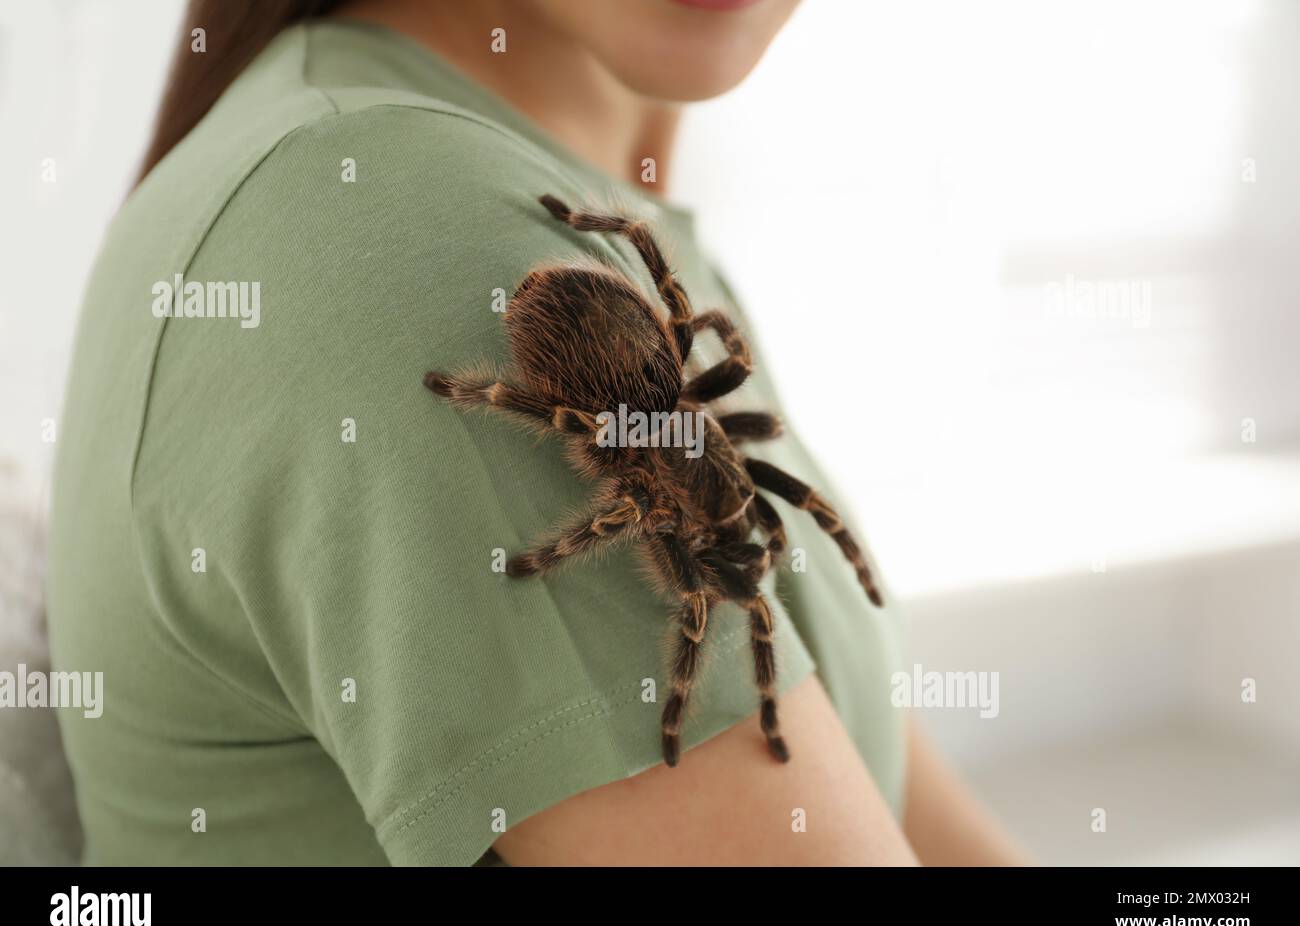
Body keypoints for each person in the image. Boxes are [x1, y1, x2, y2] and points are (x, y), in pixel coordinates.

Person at [47, 0, 1027, 866]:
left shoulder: (603, 217)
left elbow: (886, 784)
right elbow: (604, 531)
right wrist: (628, 638)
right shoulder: (399, 216)